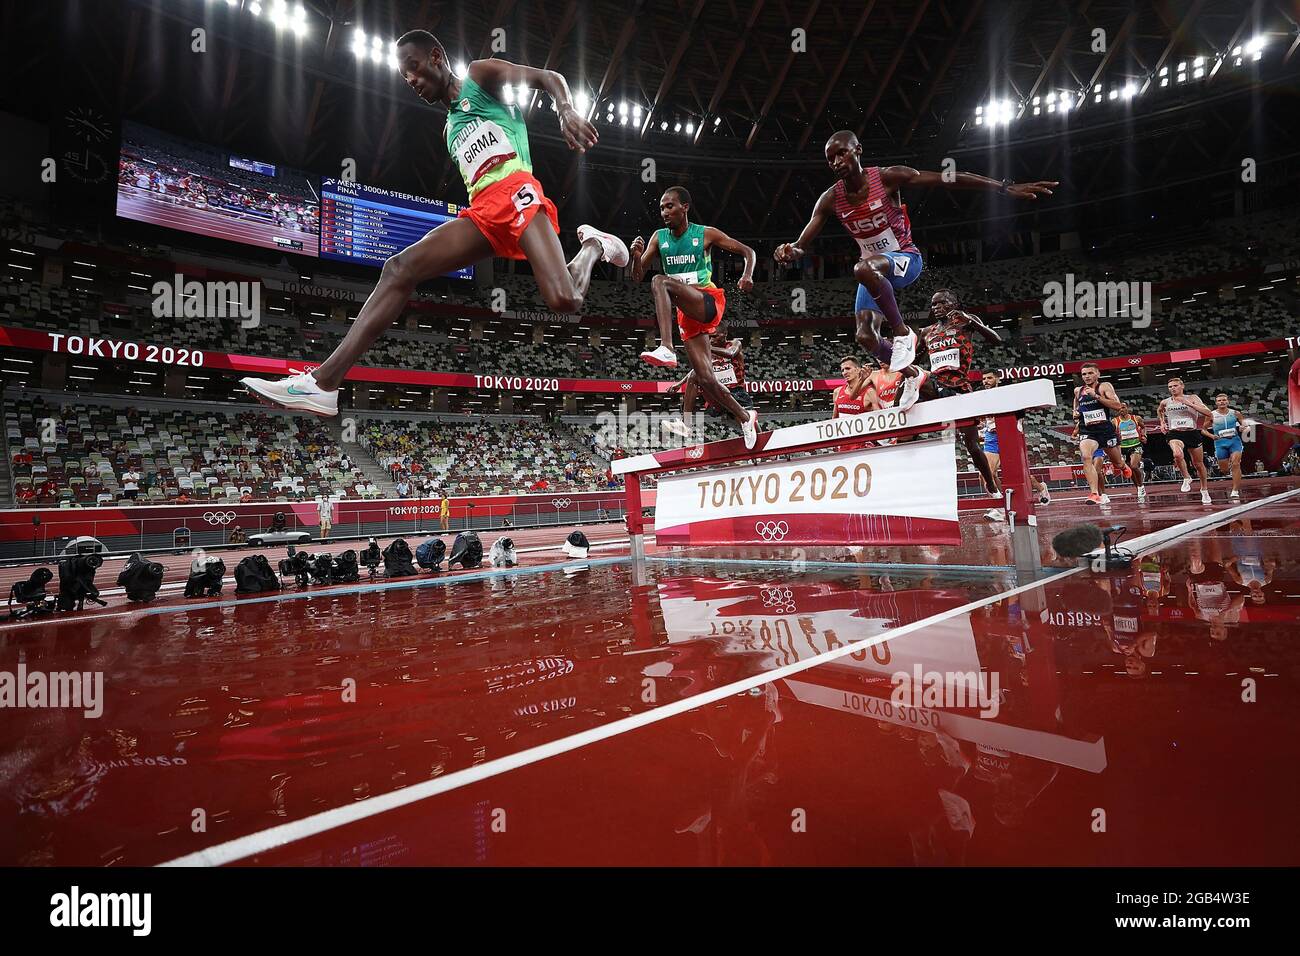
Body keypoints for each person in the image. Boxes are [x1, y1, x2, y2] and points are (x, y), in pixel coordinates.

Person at [238, 29, 628, 415]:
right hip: (482, 211)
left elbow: (548, 78)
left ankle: (593, 245)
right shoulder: (448, 130)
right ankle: (323, 384)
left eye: (414, 67)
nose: (410, 80)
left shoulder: (480, 76)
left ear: (437, 56)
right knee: (398, 269)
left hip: (517, 190)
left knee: (564, 300)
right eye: (404, 76)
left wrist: (565, 108)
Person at [774, 130, 1055, 372]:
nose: (836, 162)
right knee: (865, 336)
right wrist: (791, 251)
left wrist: (1004, 188)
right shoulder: (831, 199)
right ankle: (914, 375)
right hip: (874, 274)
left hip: (906, 259)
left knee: (863, 268)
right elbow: (802, 245)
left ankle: (903, 332)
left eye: (842, 154)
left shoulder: (887, 178)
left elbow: (949, 177)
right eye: (830, 158)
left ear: (857, 150)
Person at [629, 187, 759, 448]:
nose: (665, 212)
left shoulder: (704, 233)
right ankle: (745, 417)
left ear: (685, 207)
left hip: (707, 301)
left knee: (659, 281)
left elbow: (748, 251)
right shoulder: (659, 237)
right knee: (706, 379)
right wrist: (635, 258)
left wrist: (747, 275)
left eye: (670, 206)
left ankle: (667, 346)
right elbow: (636, 276)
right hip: (685, 311)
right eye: (662, 208)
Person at [978, 371, 1051, 521]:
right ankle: (999, 506)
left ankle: (1041, 488)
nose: (986, 381)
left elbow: (1020, 414)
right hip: (991, 437)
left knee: (1018, 475)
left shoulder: (1007, 394)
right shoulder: (981, 397)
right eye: (984, 379)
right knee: (985, 474)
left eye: (989, 378)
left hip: (1009, 435)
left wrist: (1015, 427)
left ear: (998, 379)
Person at [665, 325, 754, 437]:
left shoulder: (735, 343)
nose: (711, 340)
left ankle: (764, 447)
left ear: (725, 334)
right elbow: (697, 371)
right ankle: (685, 424)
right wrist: (679, 384)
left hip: (737, 394)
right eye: (709, 337)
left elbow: (731, 353)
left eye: (715, 336)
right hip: (718, 393)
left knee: (751, 426)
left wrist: (706, 347)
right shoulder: (709, 352)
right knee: (696, 374)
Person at [1072, 362, 1131, 505]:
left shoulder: (1104, 387)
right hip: (1088, 432)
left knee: (1117, 462)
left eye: (1090, 373)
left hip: (1105, 431)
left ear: (1098, 374)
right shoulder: (1078, 390)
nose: (1087, 376)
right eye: (1084, 374)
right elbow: (1076, 404)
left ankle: (1123, 466)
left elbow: (1118, 406)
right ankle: (1094, 493)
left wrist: (1096, 396)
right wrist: (1075, 412)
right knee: (1086, 457)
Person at [1158, 377, 1213, 505]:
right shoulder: (1165, 402)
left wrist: (1188, 403)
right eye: (1170, 386)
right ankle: (1186, 477)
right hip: (1175, 433)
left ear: (1182, 386)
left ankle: (1204, 490)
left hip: (1192, 433)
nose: (1172, 388)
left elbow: (1208, 413)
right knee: (1177, 454)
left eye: (1175, 386)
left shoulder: (1193, 398)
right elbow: (1159, 410)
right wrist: (1162, 422)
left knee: (1198, 464)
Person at [1204, 392, 1245, 500]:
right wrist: (1211, 436)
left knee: (1236, 464)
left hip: (1234, 441)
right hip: (1220, 443)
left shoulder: (1235, 413)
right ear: (1216, 403)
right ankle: (1229, 468)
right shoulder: (1211, 415)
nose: (1222, 402)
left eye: (1224, 400)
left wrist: (1243, 427)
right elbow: (1203, 430)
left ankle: (1235, 490)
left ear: (1228, 402)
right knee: (1224, 470)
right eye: (1219, 400)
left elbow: (1244, 424)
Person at [1112, 402, 1148, 502]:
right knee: (1129, 470)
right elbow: (1112, 433)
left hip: (1136, 445)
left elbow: (1143, 427)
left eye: (1123, 407)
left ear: (1127, 408)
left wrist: (1144, 436)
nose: (1121, 410)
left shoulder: (1136, 418)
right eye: (1119, 409)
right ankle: (1138, 487)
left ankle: (1141, 486)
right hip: (1122, 447)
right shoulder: (1115, 421)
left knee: (1134, 466)